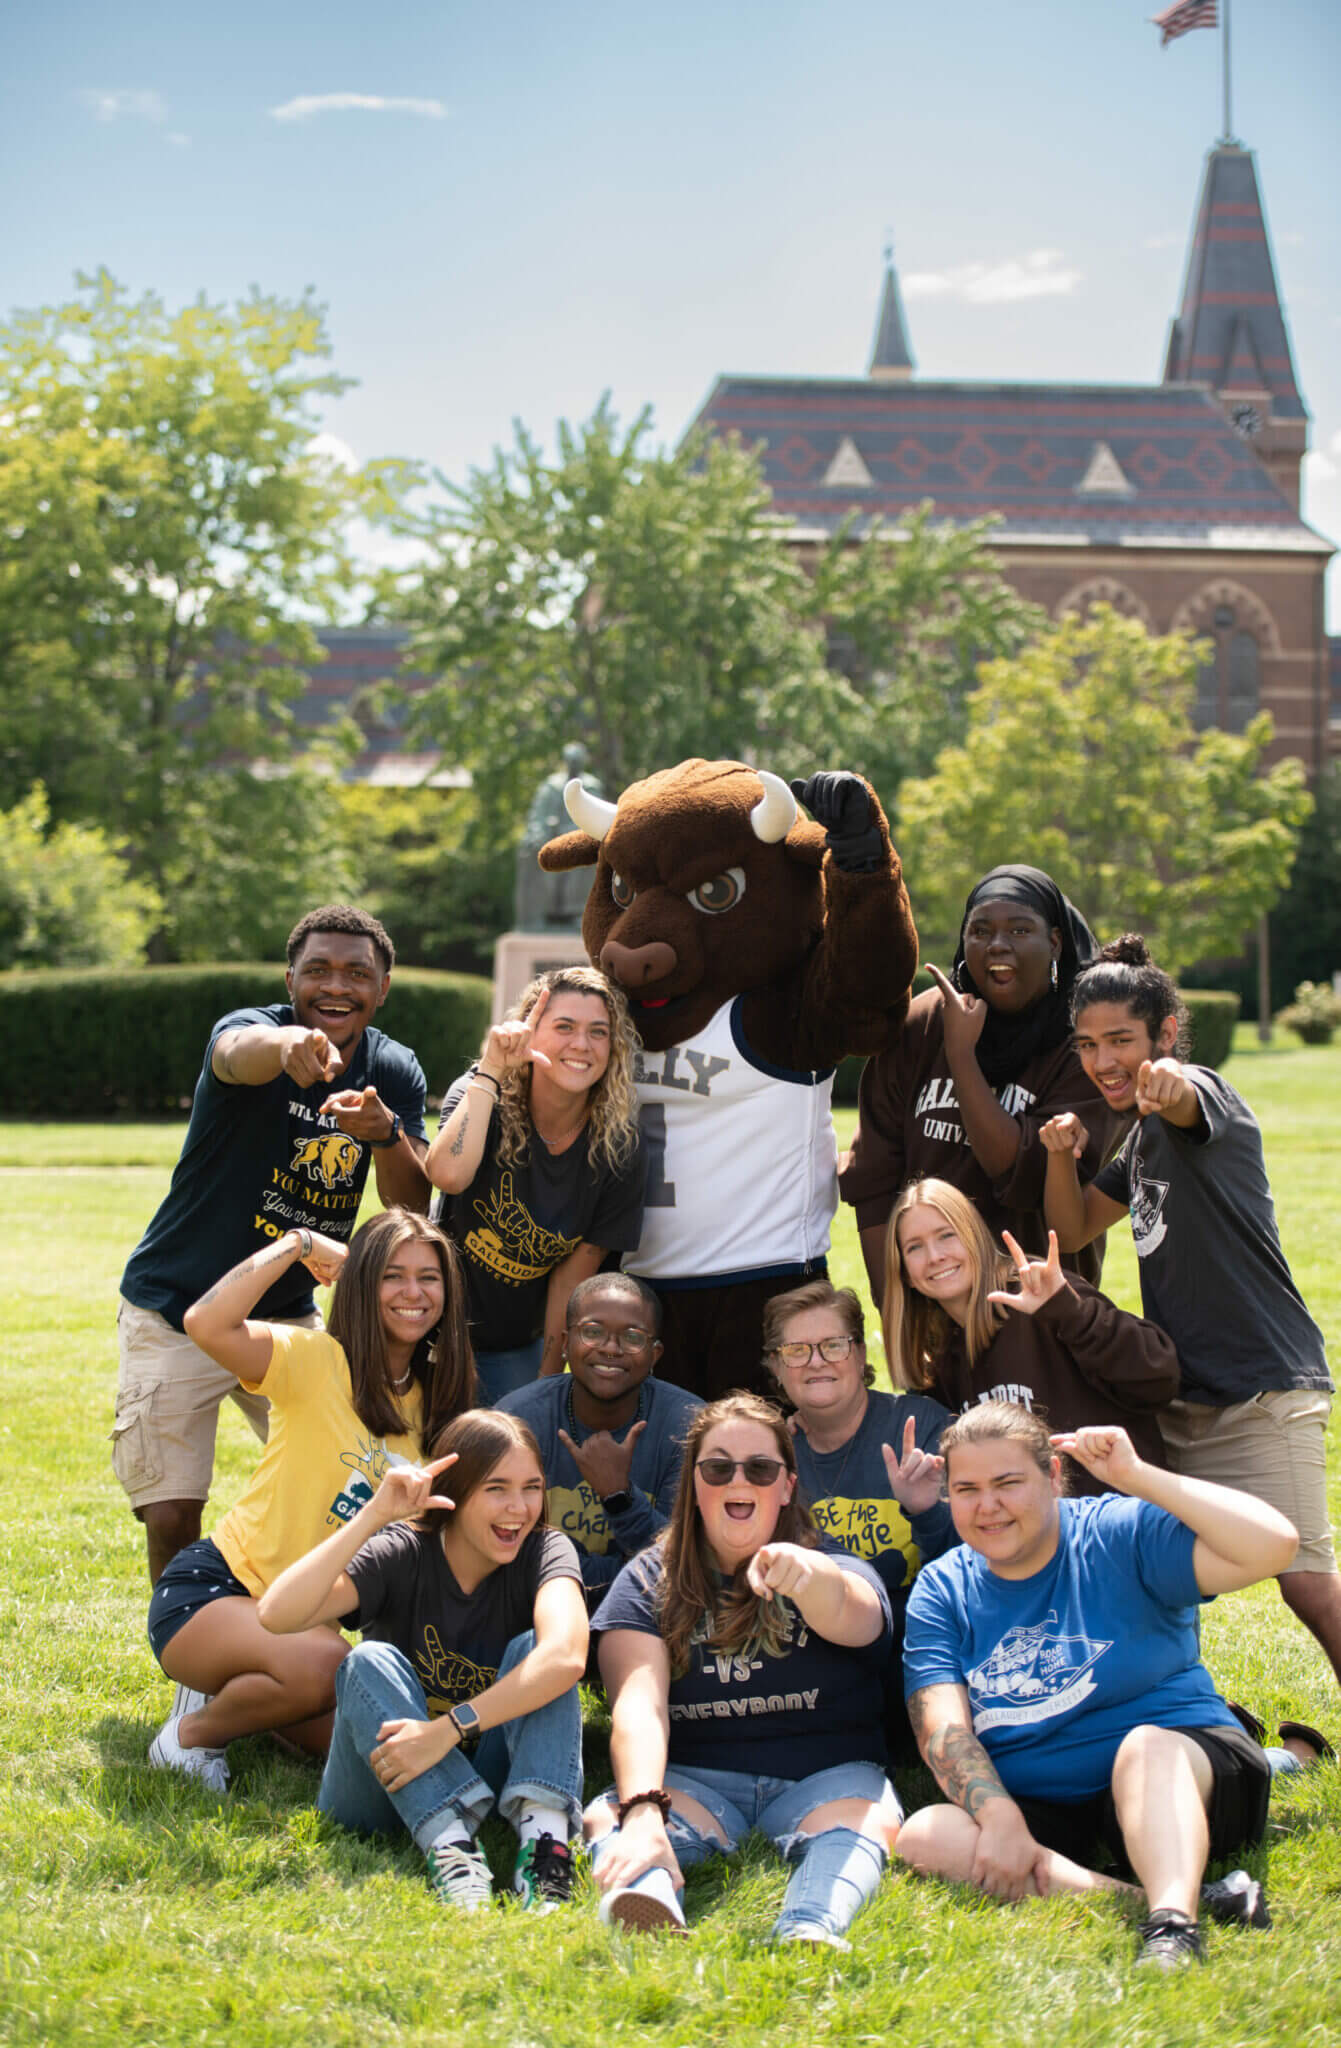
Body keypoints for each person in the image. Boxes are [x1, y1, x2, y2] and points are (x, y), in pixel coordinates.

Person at [1042, 932, 1341, 1688]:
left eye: (1121, 1041)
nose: (1102, 1060)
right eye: (1086, 1045)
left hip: (1263, 1386)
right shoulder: (1139, 1142)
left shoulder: (1201, 1099)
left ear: (1164, 1033)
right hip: (1184, 1397)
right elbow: (1073, 1226)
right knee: (1160, 1577)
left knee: (1305, 1577)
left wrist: (1167, 1082)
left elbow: (1183, 1093)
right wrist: (1055, 1151)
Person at [898, 1405, 1295, 1968]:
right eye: (967, 1489)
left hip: (1183, 1770)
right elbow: (943, 1728)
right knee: (925, 1833)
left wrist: (1138, 1477)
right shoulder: (944, 1587)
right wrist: (1001, 1818)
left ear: (1053, 1476)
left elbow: (1275, 1544)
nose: (987, 1506)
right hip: (1048, 1808)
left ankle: (1174, 1929)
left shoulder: (1117, 1532)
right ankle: (1182, 1899)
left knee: (1144, 1748)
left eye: (1008, 1483)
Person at [115, 904, 432, 1585]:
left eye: (356, 972)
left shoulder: (394, 1071)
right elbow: (236, 1056)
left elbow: (413, 1205)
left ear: (382, 988)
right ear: (289, 980)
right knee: (171, 1509)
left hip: (288, 1314)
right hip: (176, 1305)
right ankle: (194, 1653)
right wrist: (286, 1048)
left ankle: (318, 1623)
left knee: (355, 1481)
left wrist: (384, 1135)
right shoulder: (251, 1030)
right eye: (316, 970)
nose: (334, 986)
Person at [145, 1210, 476, 1791]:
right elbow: (206, 1322)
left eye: (429, 1277)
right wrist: (297, 1245)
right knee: (327, 1669)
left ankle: (259, 1691)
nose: (413, 1293)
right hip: (216, 1592)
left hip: (305, 1621)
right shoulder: (316, 1359)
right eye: (392, 1276)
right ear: (362, 1283)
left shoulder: (439, 1403)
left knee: (377, 1750)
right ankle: (192, 1735)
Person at [583, 1393, 901, 1948]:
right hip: (695, 1780)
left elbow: (860, 1618)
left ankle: (810, 1926)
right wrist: (641, 1811)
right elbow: (639, 1707)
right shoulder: (646, 1580)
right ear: (694, 1485)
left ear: (787, 1486)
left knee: (871, 1819)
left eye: (760, 1468)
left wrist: (808, 1577)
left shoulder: (832, 1563)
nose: (739, 1481)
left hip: (825, 1776)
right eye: (718, 1467)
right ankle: (649, 1900)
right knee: (607, 1817)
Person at [259, 1409, 589, 1913]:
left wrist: (445, 1732)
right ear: (454, 1493)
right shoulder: (402, 1550)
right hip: (384, 1781)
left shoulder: (546, 1550)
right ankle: (452, 1849)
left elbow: (566, 1655)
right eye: (496, 1488)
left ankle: (544, 1853)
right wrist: (371, 1516)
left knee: (538, 1654)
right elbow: (277, 1614)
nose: (519, 1508)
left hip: (487, 1767)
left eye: (532, 1487)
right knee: (367, 1661)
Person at [840, 865, 1124, 1306]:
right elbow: (873, 1178)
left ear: (1054, 942)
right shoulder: (923, 1023)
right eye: (981, 930)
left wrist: (961, 1057)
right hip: (935, 1306)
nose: (997, 944)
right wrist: (895, 1306)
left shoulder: (1084, 1045)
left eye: (1019, 929)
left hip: (1039, 1313)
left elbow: (1019, 1175)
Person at [426, 967, 647, 1404]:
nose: (581, 1044)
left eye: (598, 1032)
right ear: (530, 1031)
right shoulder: (481, 1092)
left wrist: (542, 1385)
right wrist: (491, 1069)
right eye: (564, 1026)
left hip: (517, 1342)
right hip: (435, 1328)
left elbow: (572, 1279)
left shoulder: (619, 1147)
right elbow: (447, 1175)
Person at [882, 1177, 1179, 1492]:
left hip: (1118, 1519)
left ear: (975, 1237)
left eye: (946, 1235)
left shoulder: (1038, 1293)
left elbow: (1159, 1378)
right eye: (915, 1247)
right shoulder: (943, 1362)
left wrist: (1070, 1312)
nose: (934, 1256)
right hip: (1035, 1533)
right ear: (904, 1273)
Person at [762, 1279, 955, 1757]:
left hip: (915, 1639)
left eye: (832, 1345)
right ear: (775, 1366)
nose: (817, 1361)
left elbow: (970, 1564)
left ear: (859, 1352)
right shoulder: (770, 1452)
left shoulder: (919, 1426)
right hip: (820, 1642)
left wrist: (924, 1509)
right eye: (797, 1350)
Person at [497, 1274, 702, 1606]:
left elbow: (686, 1564)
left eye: (633, 1337)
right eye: (592, 1332)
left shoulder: (689, 1429)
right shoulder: (518, 1421)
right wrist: (622, 1574)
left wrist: (619, 1497)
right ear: (564, 1343)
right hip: (535, 1608)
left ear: (655, 1354)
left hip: (649, 1616)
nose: (610, 1348)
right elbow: (503, 1555)